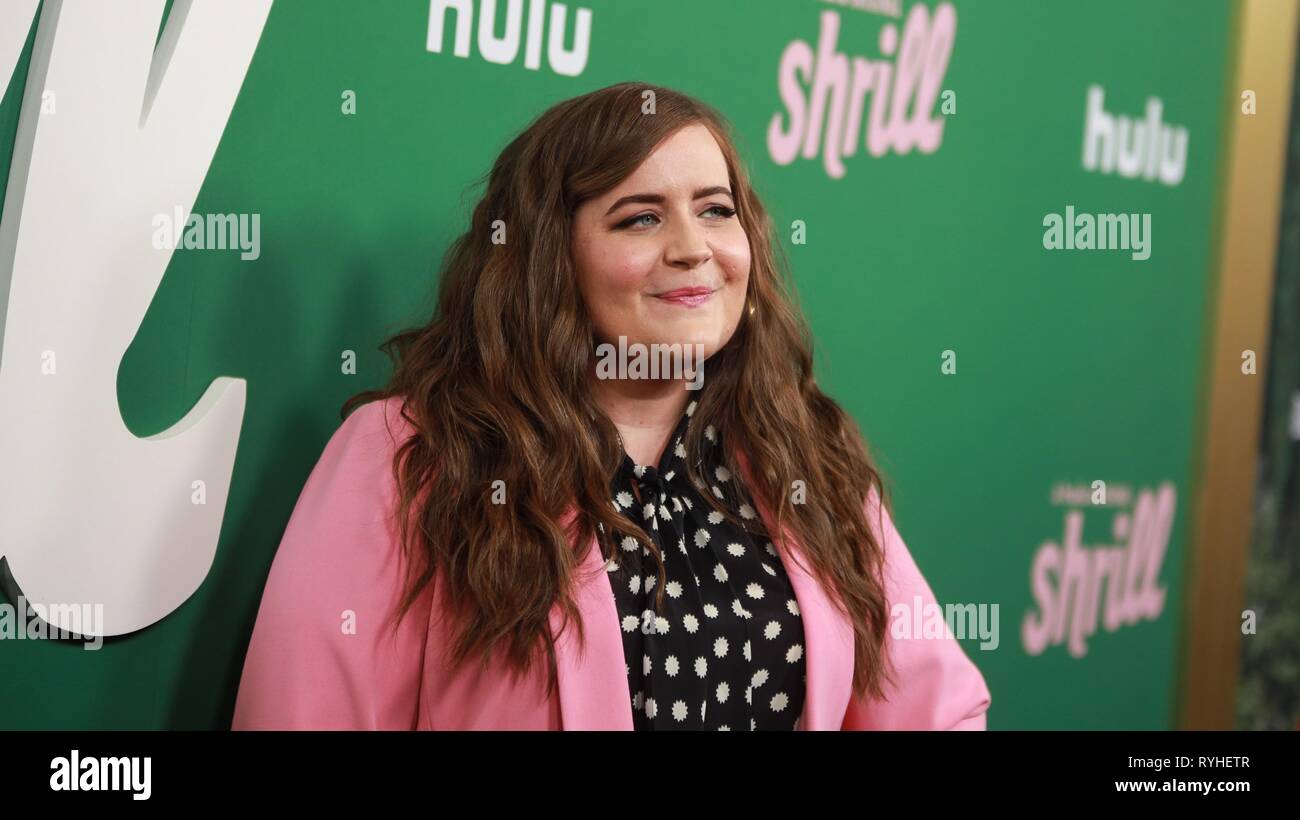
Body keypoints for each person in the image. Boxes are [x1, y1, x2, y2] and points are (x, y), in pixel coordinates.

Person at [231, 82, 991, 730]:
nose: (694, 247)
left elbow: (937, 707)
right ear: (549, 255)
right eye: (641, 217)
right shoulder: (412, 456)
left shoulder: (802, 455)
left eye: (717, 210)